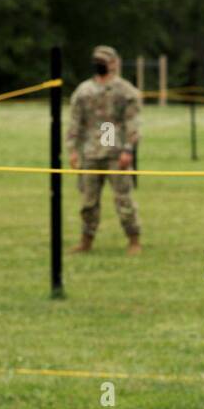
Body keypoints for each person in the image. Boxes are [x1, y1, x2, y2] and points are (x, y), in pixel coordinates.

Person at [66, 45, 142, 255]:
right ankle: (86, 241)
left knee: (123, 199)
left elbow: (132, 122)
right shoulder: (84, 91)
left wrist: (128, 149)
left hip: (115, 153)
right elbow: (75, 122)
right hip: (90, 153)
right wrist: (72, 150)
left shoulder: (125, 91)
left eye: (105, 61)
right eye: (97, 60)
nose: (100, 64)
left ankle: (134, 239)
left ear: (114, 63)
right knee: (88, 200)